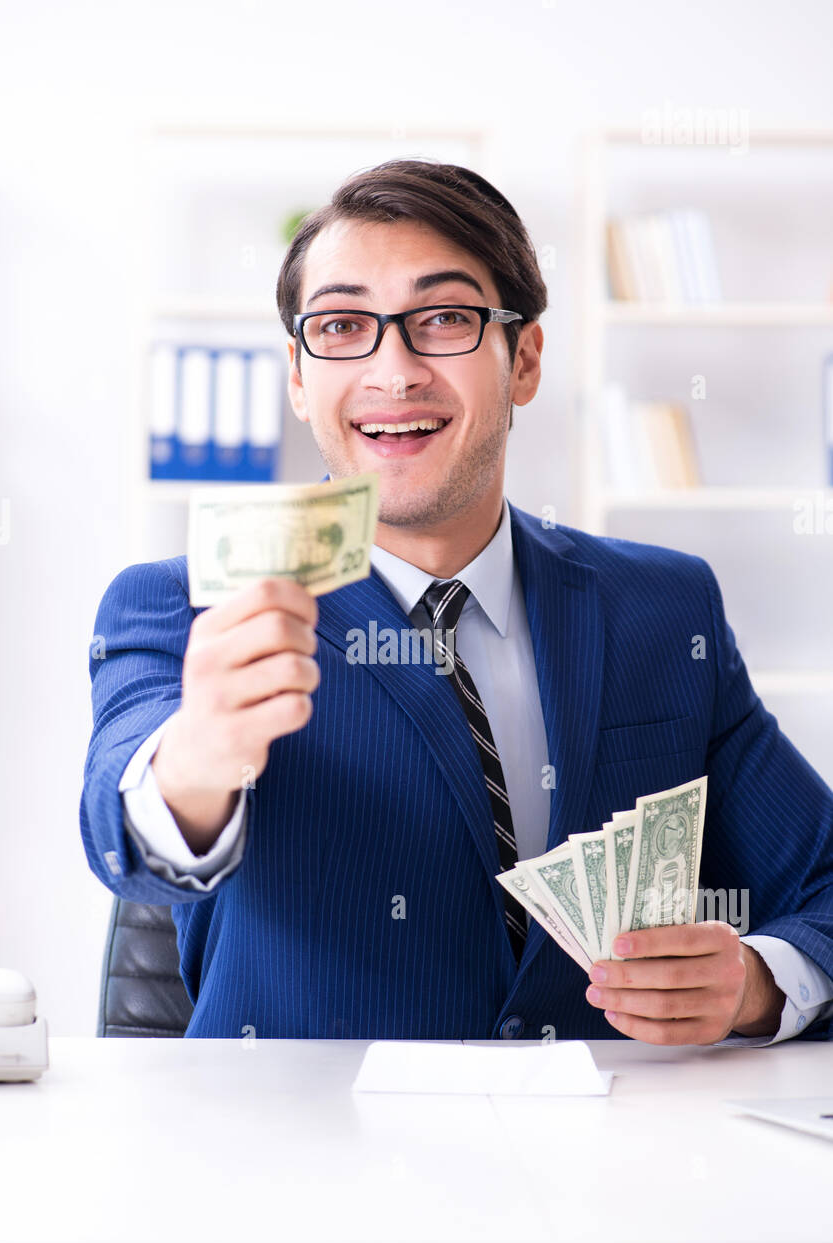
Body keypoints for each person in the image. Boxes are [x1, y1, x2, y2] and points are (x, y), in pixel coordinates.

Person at [80, 159, 833, 1044]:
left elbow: (819, 885)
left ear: (524, 359)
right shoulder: (183, 605)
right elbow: (118, 830)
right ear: (296, 374)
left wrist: (757, 982)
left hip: (610, 1162)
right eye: (343, 325)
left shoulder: (663, 611)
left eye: (442, 319)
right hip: (300, 1163)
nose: (392, 372)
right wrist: (198, 761)